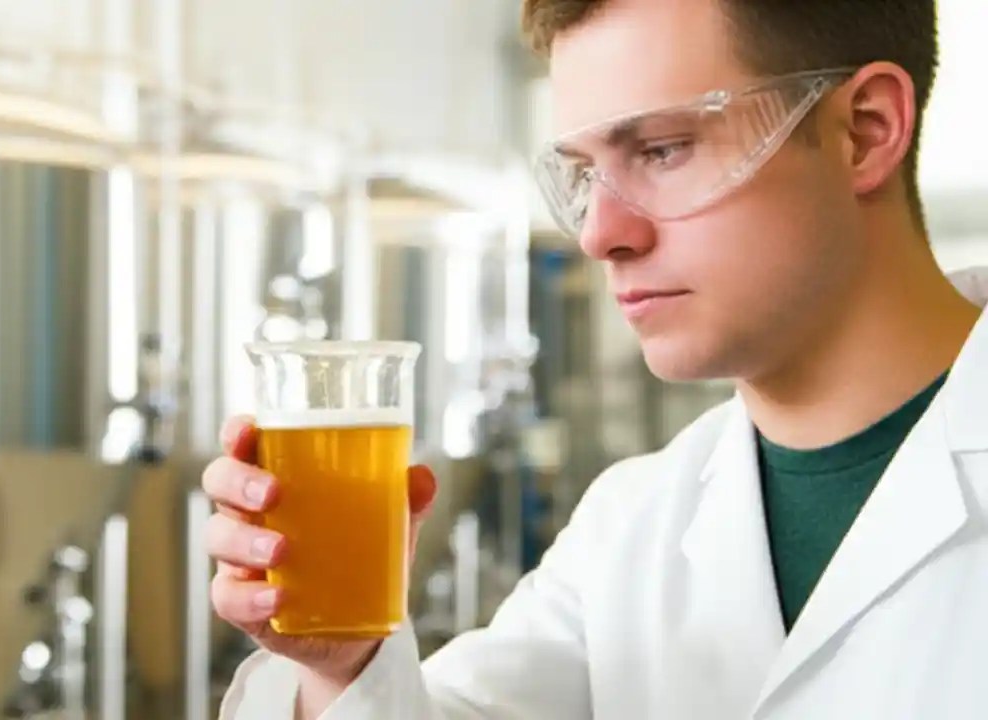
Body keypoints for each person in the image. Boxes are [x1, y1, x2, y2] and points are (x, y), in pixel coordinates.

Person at [202, 0, 988, 717]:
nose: (600, 232)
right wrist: (345, 666)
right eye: (582, 174)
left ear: (867, 130)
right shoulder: (630, 528)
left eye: (664, 149)